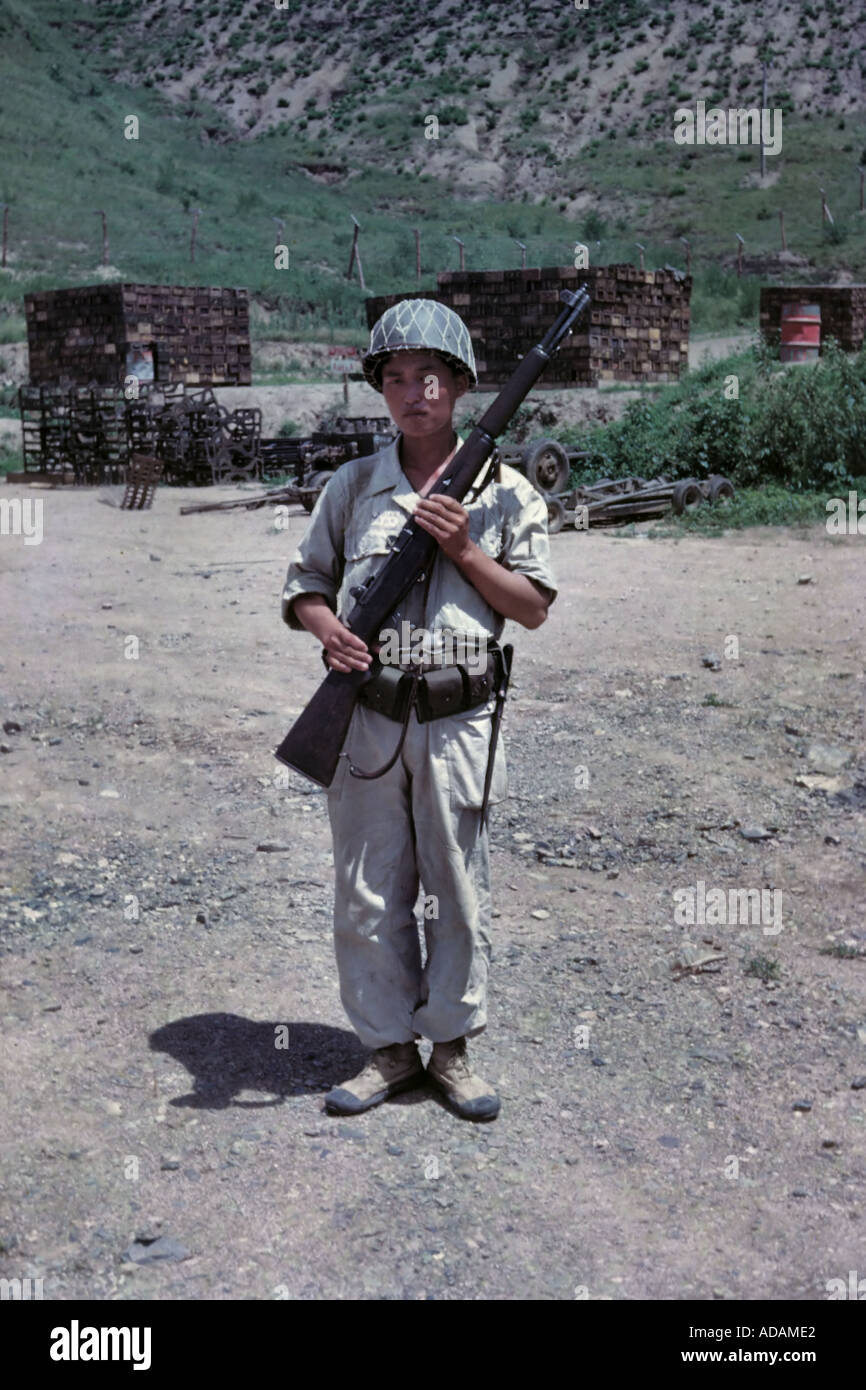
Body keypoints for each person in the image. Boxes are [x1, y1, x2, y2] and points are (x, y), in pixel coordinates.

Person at [280, 299, 557, 1121]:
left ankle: (452, 1049)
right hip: (365, 715)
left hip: (458, 716)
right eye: (395, 378)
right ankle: (388, 1051)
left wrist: (464, 547)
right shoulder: (356, 486)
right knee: (368, 889)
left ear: (462, 386)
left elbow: (534, 607)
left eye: (430, 376)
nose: (413, 392)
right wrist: (329, 631)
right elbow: (306, 586)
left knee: (456, 885)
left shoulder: (506, 494)